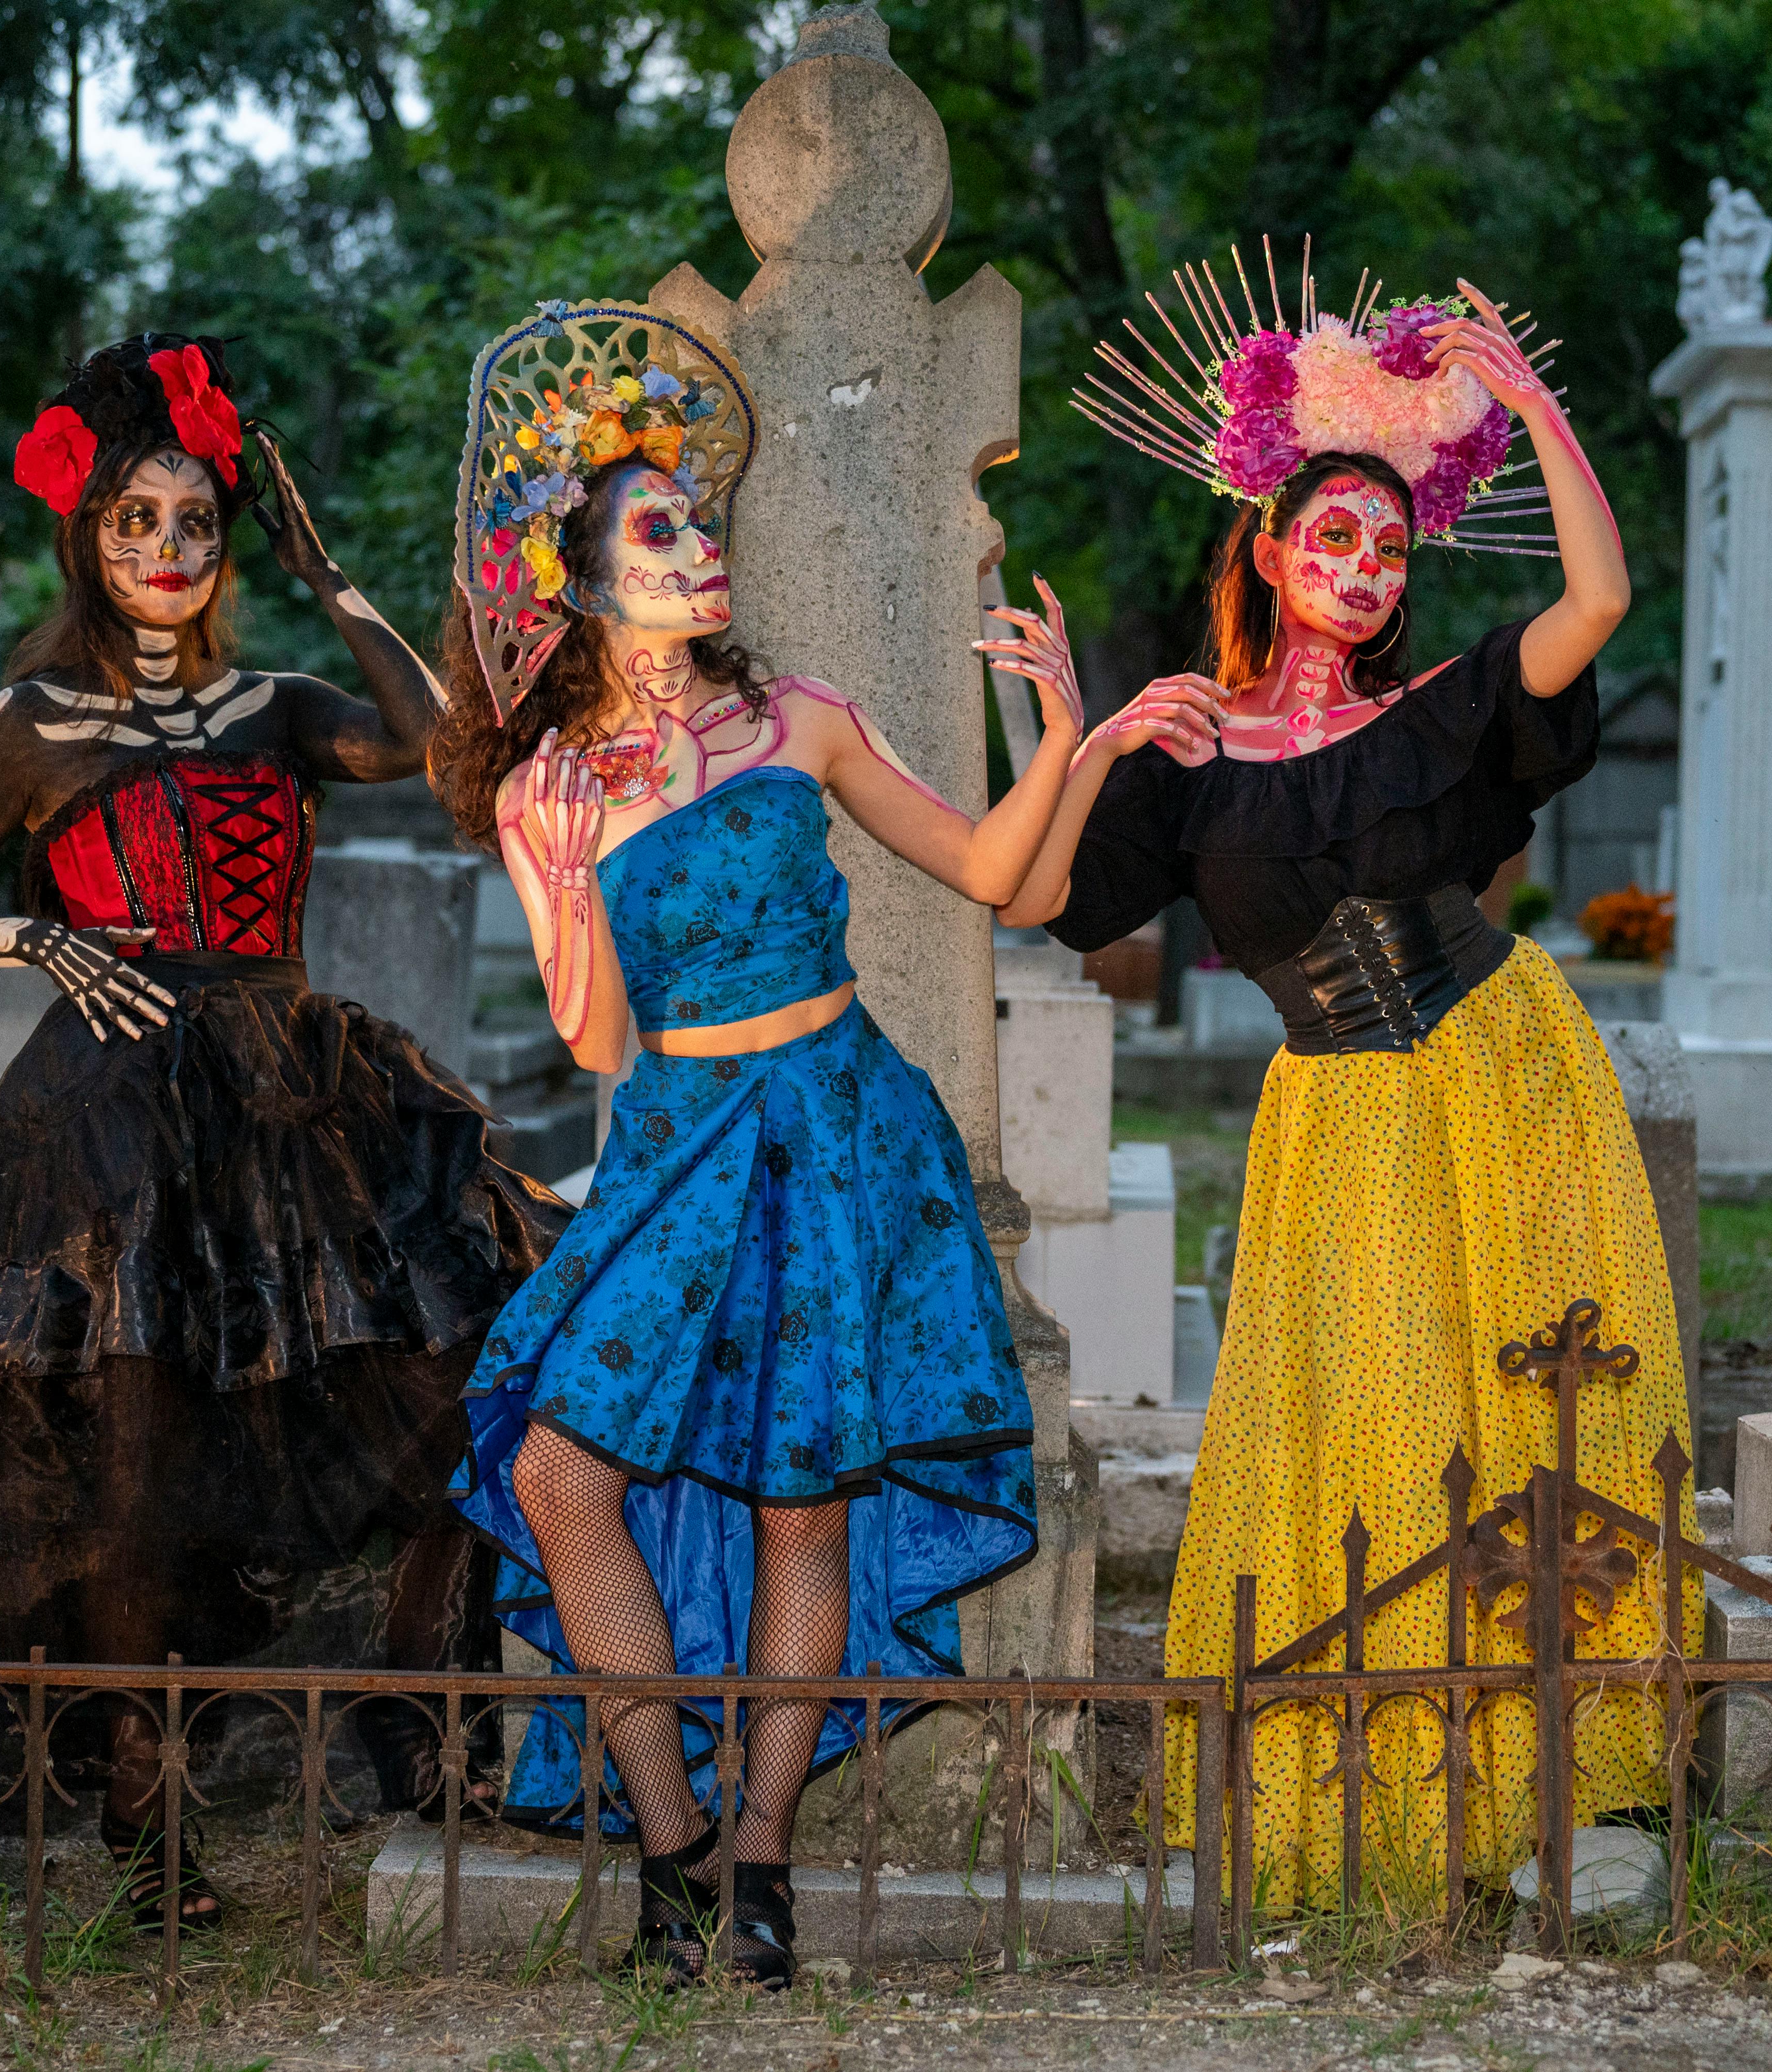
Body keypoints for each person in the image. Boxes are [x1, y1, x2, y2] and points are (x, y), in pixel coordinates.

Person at [999, 266, 1699, 1908]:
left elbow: (1596, 602)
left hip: (1502, 1071)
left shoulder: (1445, 711)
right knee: (1376, 1419)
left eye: (1389, 549)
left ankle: (1565, 1785)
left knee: (1522, 1405)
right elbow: (1032, 901)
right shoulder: (1187, 753)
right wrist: (1081, 739)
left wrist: (1528, 406)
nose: (1365, 570)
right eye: (1334, 539)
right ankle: (1379, 1783)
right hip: (1337, 1115)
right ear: (1268, 546)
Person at [0, 333, 569, 1927]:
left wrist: (331, 575)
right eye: (136, 526)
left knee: (476, 1356)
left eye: (196, 525)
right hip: (110, 1120)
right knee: (128, 1458)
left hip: (302, 1090)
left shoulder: (282, 708)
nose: (170, 553)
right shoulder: (29, 722)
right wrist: (35, 940)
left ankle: (408, 1684)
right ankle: (142, 1812)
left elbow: (440, 753)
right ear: (87, 543)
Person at [429, 301, 1081, 1988]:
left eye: (700, 521)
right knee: (566, 1470)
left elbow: (1005, 878)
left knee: (809, 1504)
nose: (696, 544)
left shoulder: (802, 718)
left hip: (841, 1127)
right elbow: (591, 1035)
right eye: (660, 529)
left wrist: (1057, 729)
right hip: (679, 1140)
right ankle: (673, 1851)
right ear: (579, 579)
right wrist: (565, 861)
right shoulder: (549, 786)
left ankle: (769, 1870)